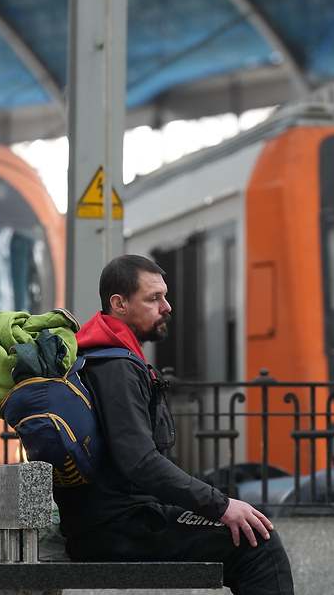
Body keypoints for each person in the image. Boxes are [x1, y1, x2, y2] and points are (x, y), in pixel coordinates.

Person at [57, 254, 294, 595]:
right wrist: (221, 506)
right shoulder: (115, 368)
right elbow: (140, 462)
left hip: (116, 521)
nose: (166, 307)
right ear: (119, 304)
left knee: (253, 528)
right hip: (121, 528)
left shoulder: (107, 358)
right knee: (259, 545)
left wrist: (213, 501)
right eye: (153, 298)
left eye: (165, 296)